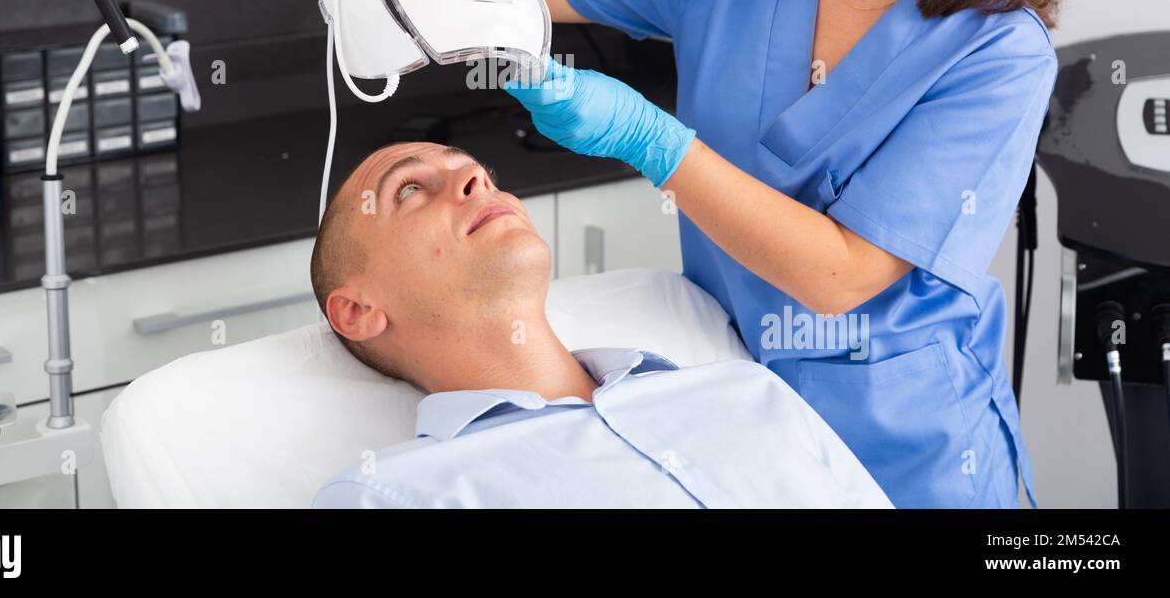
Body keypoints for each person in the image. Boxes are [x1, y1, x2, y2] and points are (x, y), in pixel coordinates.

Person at [302, 0, 1062, 508]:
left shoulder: (995, 55)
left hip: (906, 450)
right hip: (718, 403)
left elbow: (843, 278)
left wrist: (649, 140)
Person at [308, 141, 892, 508]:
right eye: (408, 190)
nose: (477, 182)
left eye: (481, 173)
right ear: (357, 311)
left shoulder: (744, 389)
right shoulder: (389, 494)